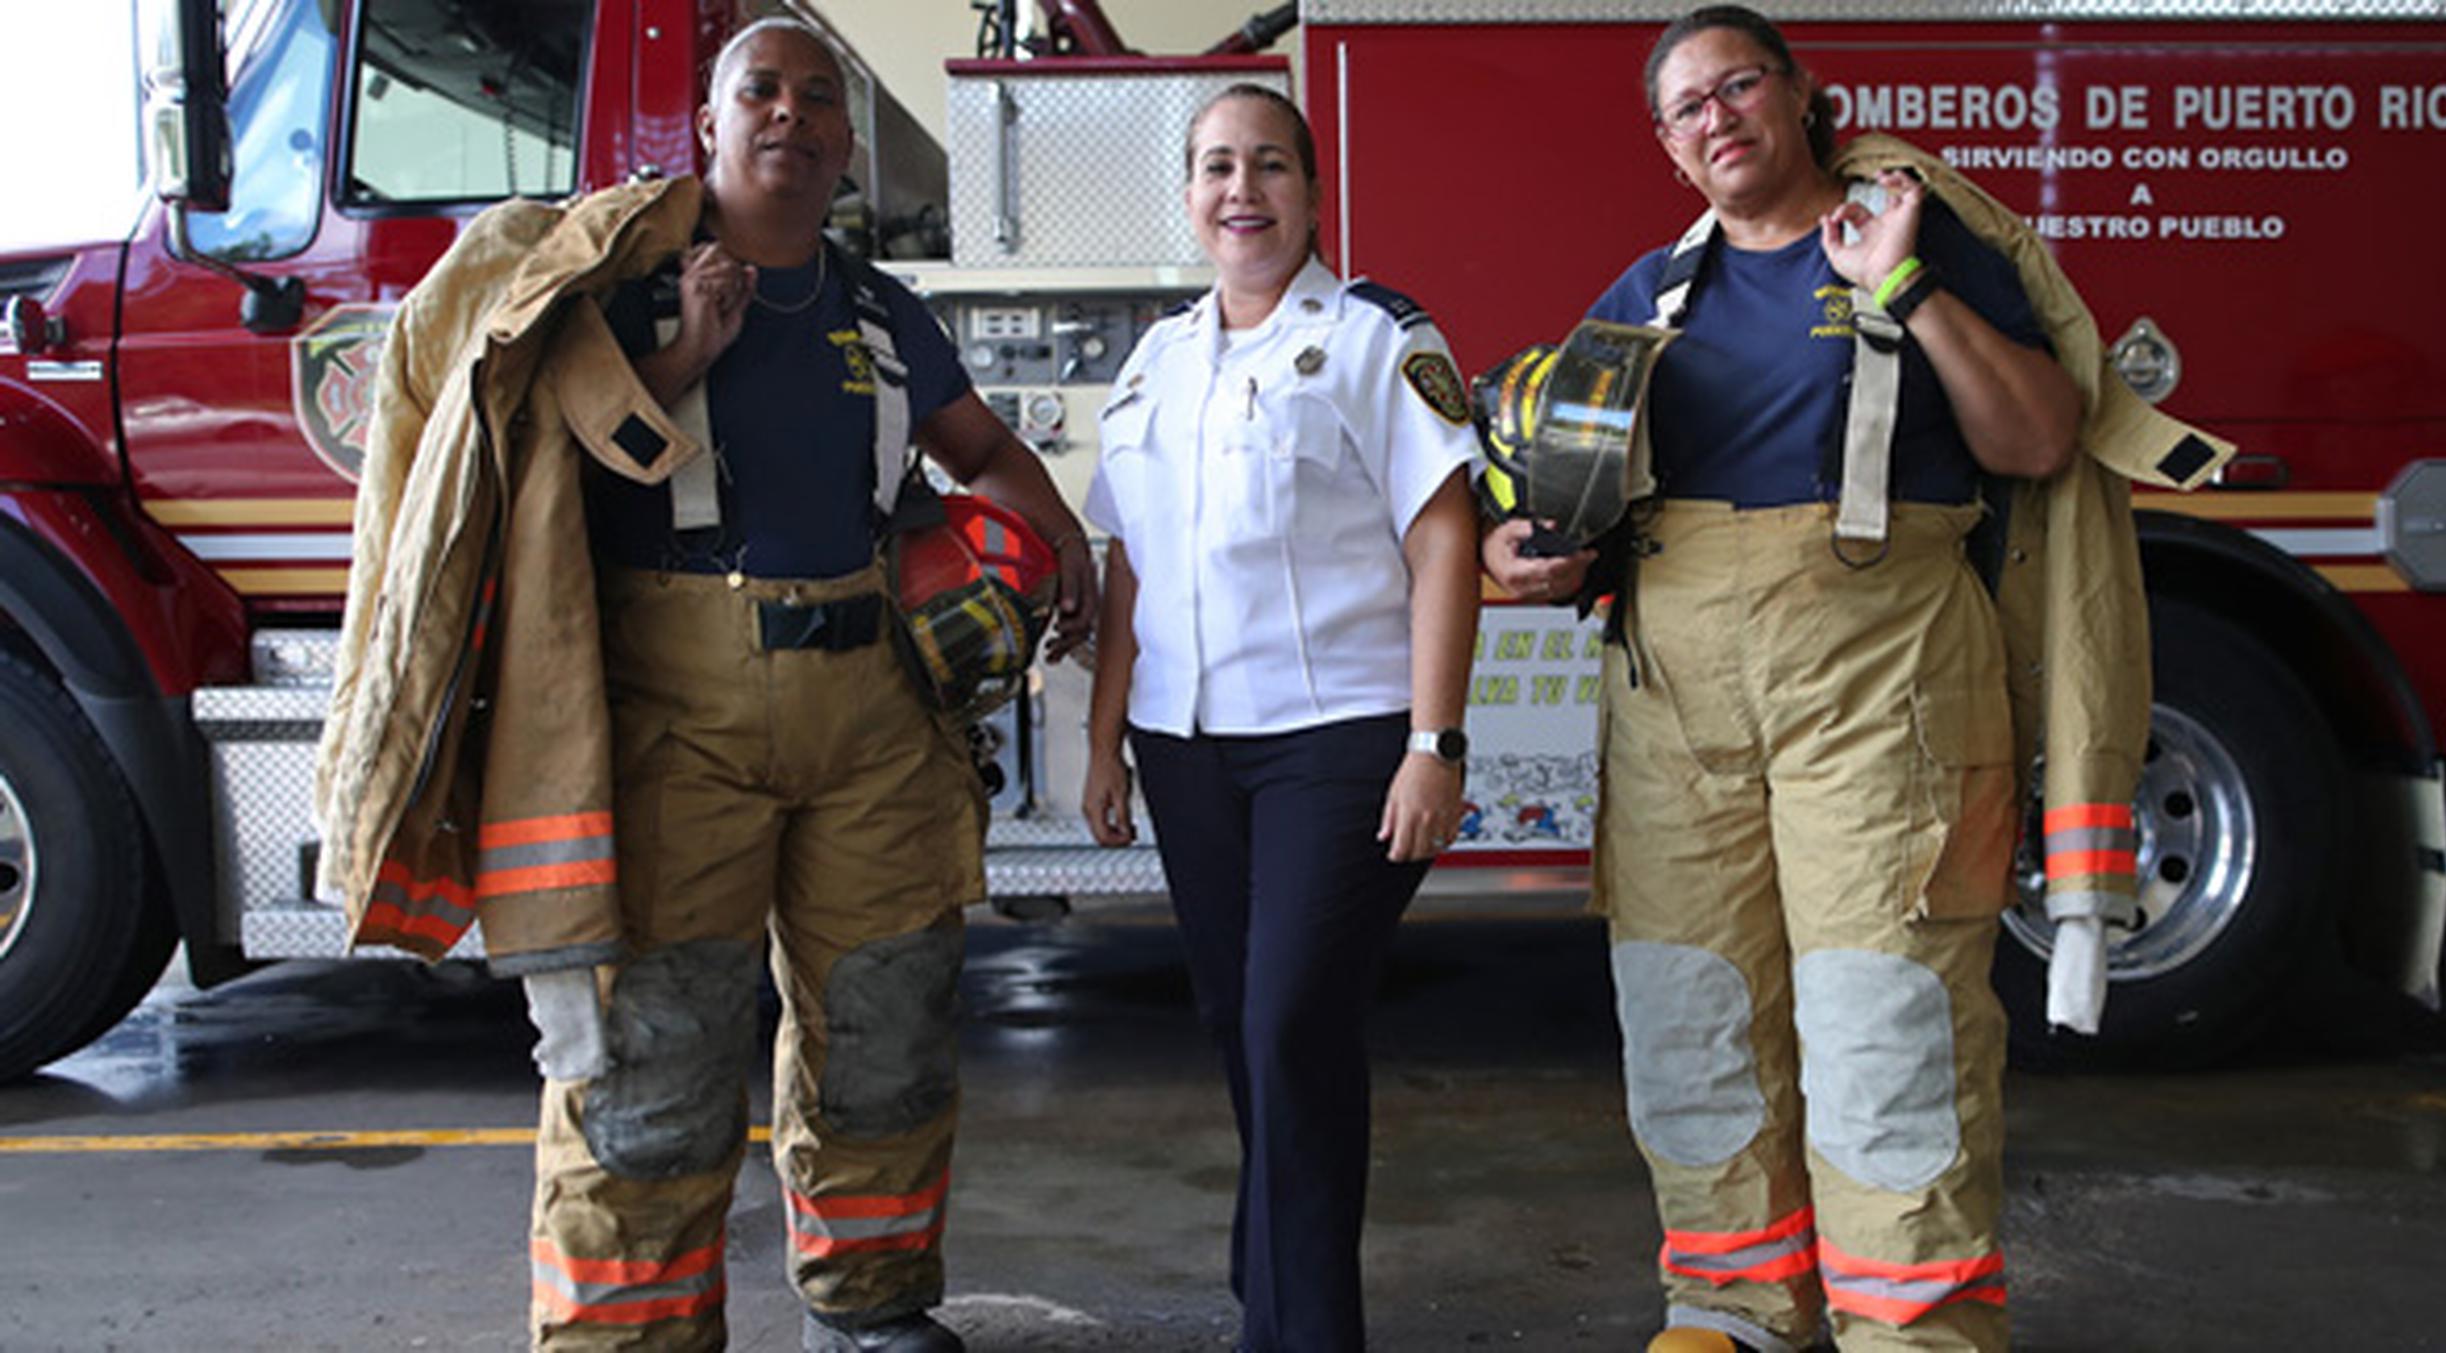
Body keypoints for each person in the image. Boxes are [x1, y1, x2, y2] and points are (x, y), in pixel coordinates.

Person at [1482, 8, 2085, 1352]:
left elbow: (2040, 437)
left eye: (1737, 83)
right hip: (1677, 707)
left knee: (1888, 1015)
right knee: (1691, 1004)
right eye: (1686, 107)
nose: (1716, 117)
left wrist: (1906, 289)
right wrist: (1529, 554)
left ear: (1801, 95)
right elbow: (1565, 504)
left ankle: (1913, 1325)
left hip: (1881, 693)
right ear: (1668, 147)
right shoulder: (1647, 292)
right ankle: (1734, 1303)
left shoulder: (1913, 242)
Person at [522, 18, 1091, 1352]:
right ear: (709, 129)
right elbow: (552, 488)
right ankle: (632, 1335)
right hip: (678, 720)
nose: (791, 113)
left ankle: (874, 1301)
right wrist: (685, 358)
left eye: (817, 98)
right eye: (759, 91)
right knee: (661, 1037)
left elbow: (989, 452)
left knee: (889, 1016)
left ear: (843, 146)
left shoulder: (885, 317)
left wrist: (1062, 552)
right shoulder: (621, 294)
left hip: (876, 716)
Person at [1078, 84, 1481, 1353]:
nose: (1240, 190)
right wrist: (1101, 738)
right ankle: (1273, 1284)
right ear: (1190, 198)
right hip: (1187, 745)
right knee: (1240, 1028)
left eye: (1267, 167)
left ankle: (1303, 1331)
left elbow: (1444, 538)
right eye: (1215, 168)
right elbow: (1127, 563)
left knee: (1289, 1022)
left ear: (1313, 192)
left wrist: (1434, 742)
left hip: (1340, 741)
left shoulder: (1372, 338)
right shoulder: (1156, 359)